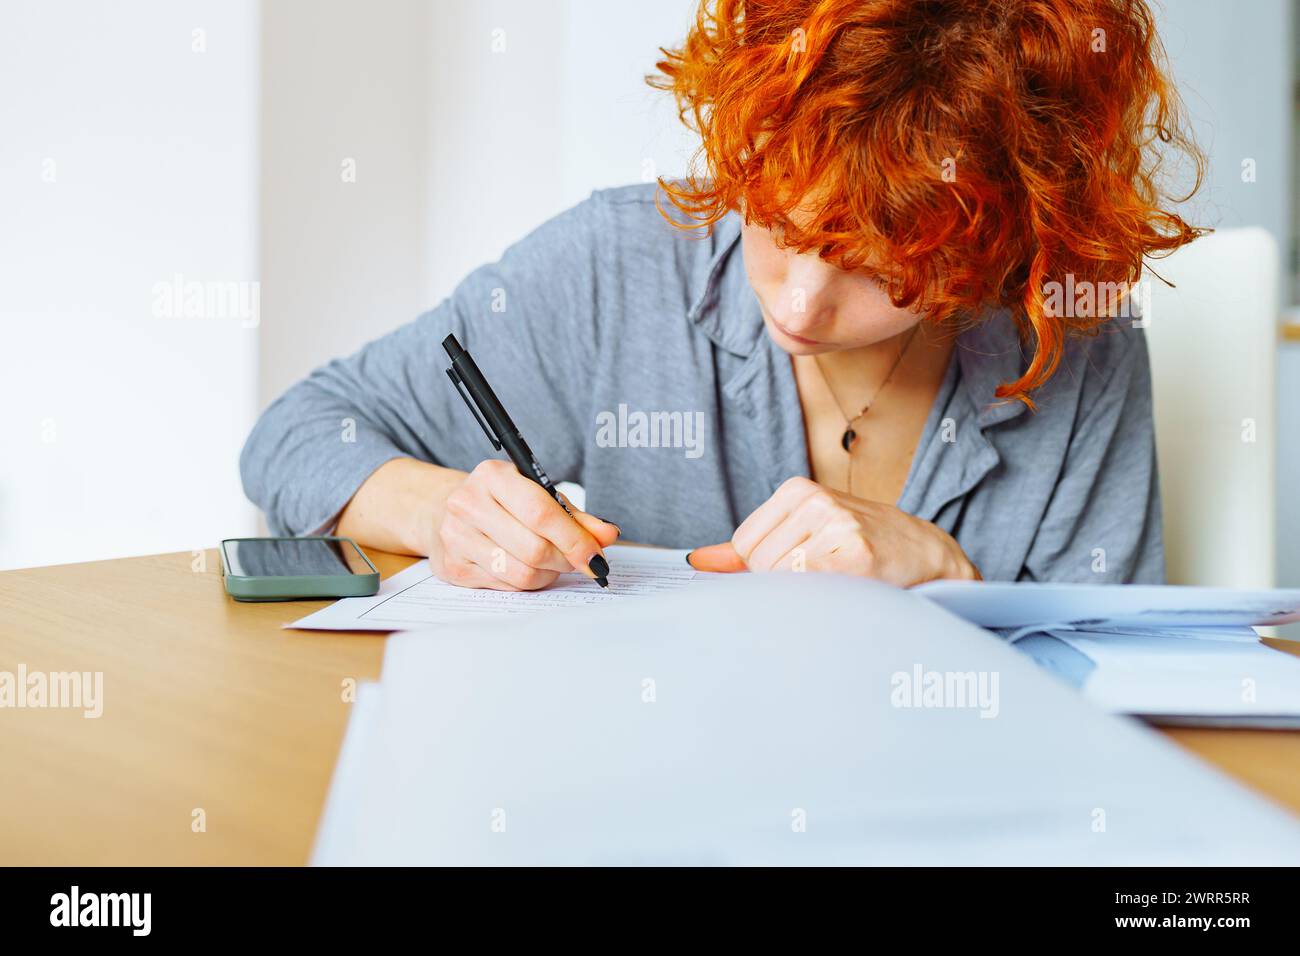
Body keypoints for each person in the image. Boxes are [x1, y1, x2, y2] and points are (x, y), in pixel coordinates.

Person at [241, 0, 1203, 590]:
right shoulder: (617, 268)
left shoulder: (1072, 339)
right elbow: (296, 434)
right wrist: (441, 512)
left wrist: (949, 578)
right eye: (777, 217)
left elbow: (1117, 673)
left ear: (997, 253)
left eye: (881, 267)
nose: (797, 306)